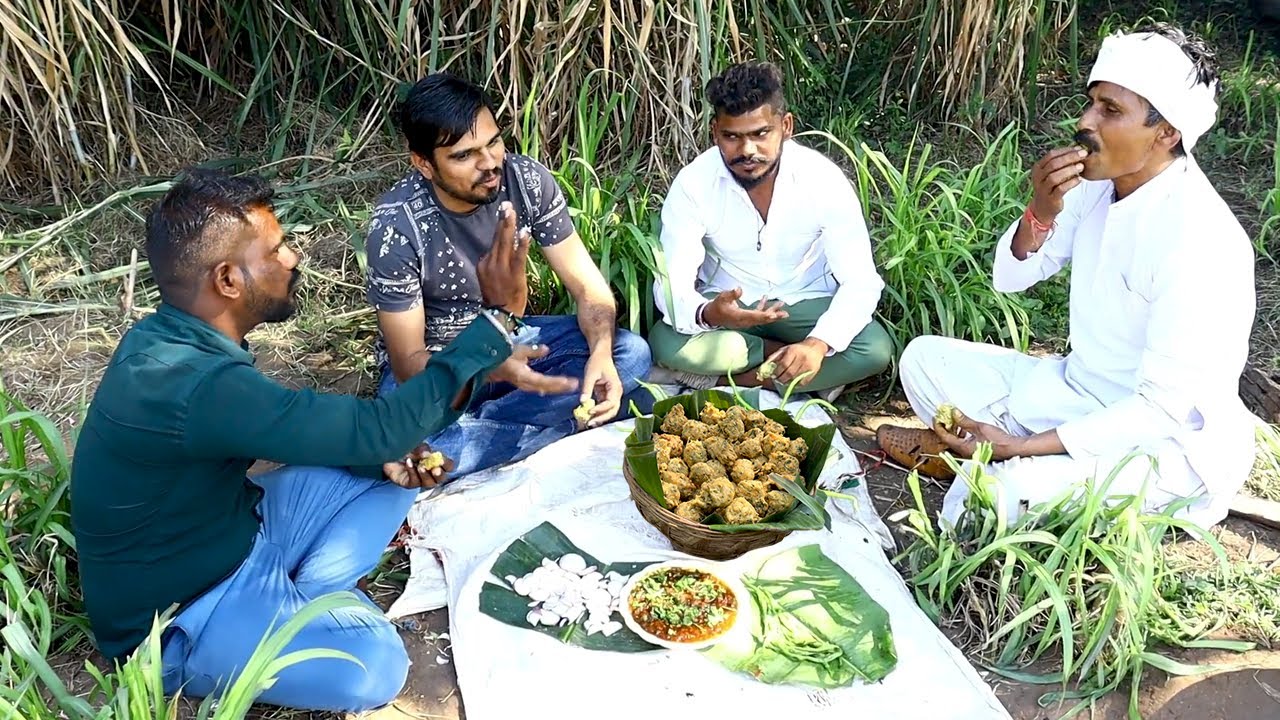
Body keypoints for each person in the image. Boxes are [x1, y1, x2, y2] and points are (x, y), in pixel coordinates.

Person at [68, 169, 575, 712]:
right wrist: (497, 319)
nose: (293, 257)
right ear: (228, 280)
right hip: (184, 610)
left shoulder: (164, 338)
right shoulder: (200, 385)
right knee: (375, 668)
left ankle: (299, 603)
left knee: (397, 471)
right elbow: (381, 424)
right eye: (278, 248)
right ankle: (267, 624)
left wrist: (384, 449)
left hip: (237, 531)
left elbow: (367, 435)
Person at [875, 23, 1258, 531]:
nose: (1085, 122)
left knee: (983, 504)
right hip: (1075, 391)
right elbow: (1012, 278)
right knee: (923, 358)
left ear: (1166, 133)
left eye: (1111, 111)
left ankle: (1009, 461)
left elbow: (1162, 408)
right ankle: (1008, 455)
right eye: (1092, 103)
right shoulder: (1099, 184)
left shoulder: (1200, 239)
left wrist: (1023, 446)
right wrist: (1041, 208)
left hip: (1164, 445)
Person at [365, 72, 654, 477]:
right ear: (424, 164)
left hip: (512, 340)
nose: (489, 164)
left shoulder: (527, 181)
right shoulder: (397, 227)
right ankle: (559, 425)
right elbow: (408, 363)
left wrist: (602, 355)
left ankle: (483, 436)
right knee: (428, 442)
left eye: (494, 142)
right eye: (464, 155)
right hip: (439, 367)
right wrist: (478, 372)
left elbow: (590, 290)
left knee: (631, 354)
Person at [647, 61, 893, 402]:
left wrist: (817, 343)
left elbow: (861, 282)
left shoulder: (822, 179)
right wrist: (708, 313)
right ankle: (802, 376)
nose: (747, 150)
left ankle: (722, 380)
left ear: (785, 126)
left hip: (805, 305)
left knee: (875, 349)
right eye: (732, 137)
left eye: (761, 134)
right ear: (714, 131)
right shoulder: (694, 184)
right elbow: (672, 284)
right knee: (667, 342)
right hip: (730, 311)